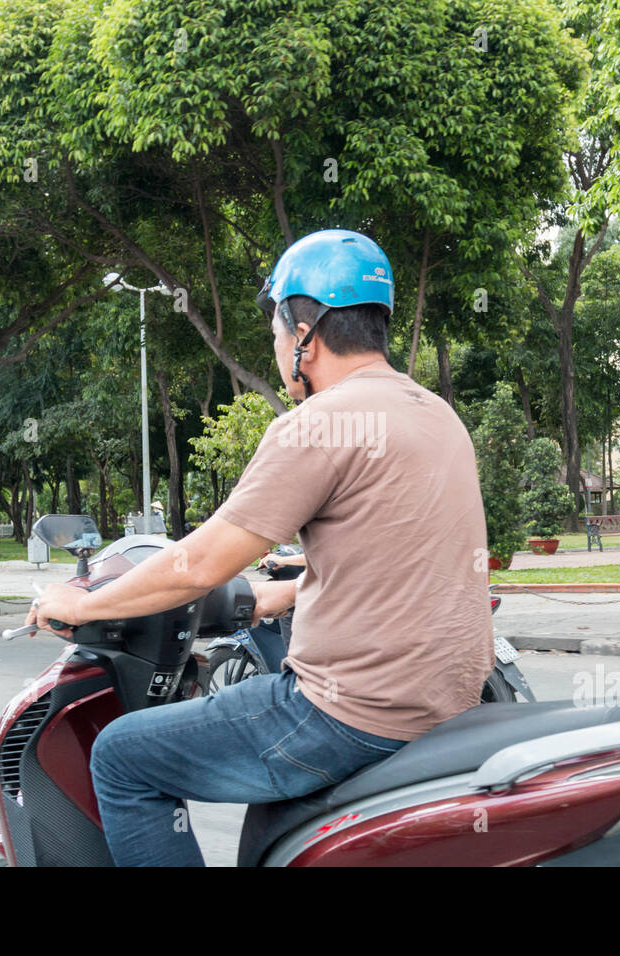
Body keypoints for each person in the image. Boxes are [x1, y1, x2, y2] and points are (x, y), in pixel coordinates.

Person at [30, 228, 494, 866]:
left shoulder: (321, 421)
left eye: (276, 333)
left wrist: (84, 603)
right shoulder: (437, 414)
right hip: (444, 703)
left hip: (349, 714)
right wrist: (271, 597)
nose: (276, 349)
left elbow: (199, 564)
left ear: (305, 331)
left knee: (121, 755)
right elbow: (387, 561)